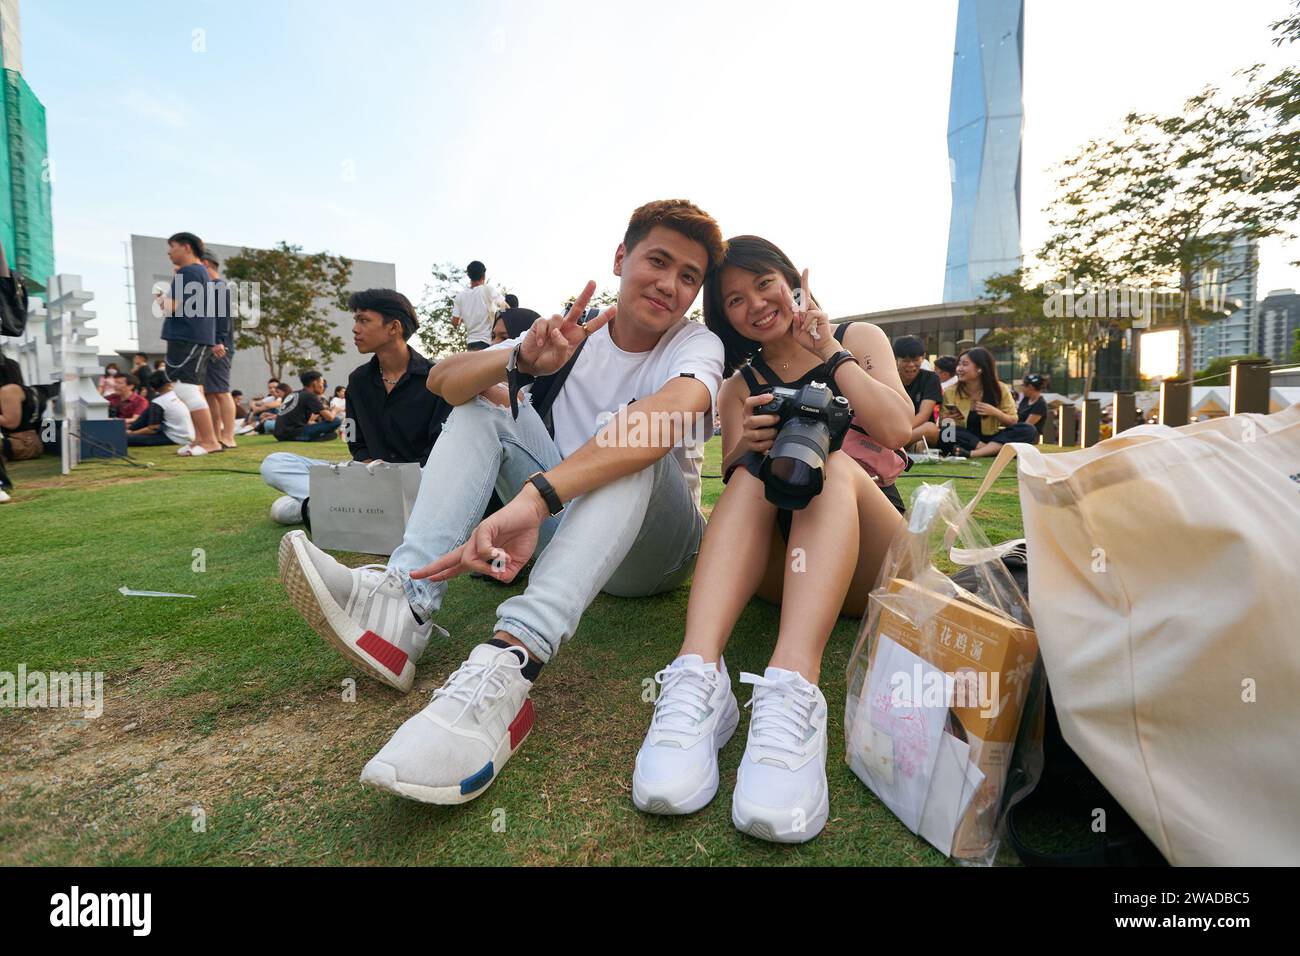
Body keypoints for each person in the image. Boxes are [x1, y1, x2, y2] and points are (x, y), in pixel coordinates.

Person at [277, 199, 727, 807]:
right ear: (621, 258)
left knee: (633, 437)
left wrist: (540, 496)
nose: (671, 285)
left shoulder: (693, 341)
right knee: (484, 405)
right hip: (564, 531)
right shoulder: (574, 330)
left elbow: (673, 414)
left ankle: (513, 658)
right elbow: (442, 382)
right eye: (659, 261)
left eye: (689, 277)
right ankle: (405, 602)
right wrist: (518, 358)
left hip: (657, 552)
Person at [631, 235, 912, 843]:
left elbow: (899, 429)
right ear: (724, 316)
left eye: (764, 284)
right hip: (781, 570)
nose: (755, 304)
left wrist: (830, 351)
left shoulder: (860, 340)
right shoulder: (739, 384)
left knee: (830, 462)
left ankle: (793, 684)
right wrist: (747, 446)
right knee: (760, 466)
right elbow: (736, 482)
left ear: (793, 280)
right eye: (734, 299)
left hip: (869, 560)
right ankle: (698, 673)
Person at [260, 289, 447, 526]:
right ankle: (347, 504)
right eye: (355, 320)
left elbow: (439, 449)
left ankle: (323, 506)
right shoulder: (358, 381)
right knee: (274, 464)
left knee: (283, 511)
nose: (355, 329)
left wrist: (398, 477)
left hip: (416, 480)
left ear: (393, 327)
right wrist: (367, 463)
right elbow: (353, 437)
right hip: (367, 474)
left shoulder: (434, 378)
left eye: (364, 320)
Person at [156, 231, 221, 455]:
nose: (169, 252)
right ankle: (200, 440)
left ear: (186, 247)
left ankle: (210, 441)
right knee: (188, 389)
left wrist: (160, 297)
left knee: (187, 389)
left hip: (188, 336)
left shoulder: (189, 272)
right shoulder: (196, 272)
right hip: (193, 335)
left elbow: (171, 306)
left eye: (172, 246)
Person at [937, 347, 1023, 458]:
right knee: (947, 431)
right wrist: (947, 418)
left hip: (991, 437)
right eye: (959, 364)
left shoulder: (1000, 389)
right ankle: (992, 450)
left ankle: (975, 453)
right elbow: (944, 427)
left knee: (1027, 429)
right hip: (965, 438)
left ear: (980, 368)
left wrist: (995, 412)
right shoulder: (950, 391)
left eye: (965, 364)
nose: (959, 369)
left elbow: (1013, 422)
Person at [201, 252, 238, 449]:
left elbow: (222, 318)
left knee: (222, 391)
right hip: (209, 346)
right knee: (210, 392)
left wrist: (219, 341)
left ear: (206, 264)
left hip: (219, 346)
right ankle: (214, 435)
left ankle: (228, 436)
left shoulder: (219, 287)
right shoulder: (209, 289)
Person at [893, 335, 942, 449]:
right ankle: (909, 446)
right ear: (895, 359)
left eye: (915, 360)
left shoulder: (931, 378)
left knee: (931, 429)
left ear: (923, 357)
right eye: (905, 360)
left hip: (916, 429)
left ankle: (895, 445)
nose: (911, 365)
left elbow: (924, 415)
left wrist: (901, 432)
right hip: (893, 428)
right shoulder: (889, 378)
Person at [126, 371, 197, 447]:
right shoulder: (178, 395)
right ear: (169, 383)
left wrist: (132, 433)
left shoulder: (158, 402)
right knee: (149, 411)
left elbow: (153, 429)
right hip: (189, 435)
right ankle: (131, 428)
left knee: (125, 438)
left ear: (153, 388)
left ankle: (130, 429)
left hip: (173, 437)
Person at [451, 260, 505, 351]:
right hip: (488, 343)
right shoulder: (488, 289)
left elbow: (455, 322)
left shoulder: (460, 297)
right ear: (483, 276)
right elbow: (504, 306)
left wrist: (465, 318)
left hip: (471, 344)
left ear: (469, 276)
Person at [272, 371, 339, 443]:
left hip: (280, 434)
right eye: (322, 383)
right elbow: (330, 418)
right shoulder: (310, 395)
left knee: (332, 433)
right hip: (293, 433)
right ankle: (312, 438)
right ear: (315, 383)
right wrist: (335, 410)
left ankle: (314, 437)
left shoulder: (294, 393)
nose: (323, 386)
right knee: (336, 420)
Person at [0, 356, 43, 463]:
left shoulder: (9, 390)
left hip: (22, 443)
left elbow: (10, 422)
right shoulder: (18, 389)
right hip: (23, 442)